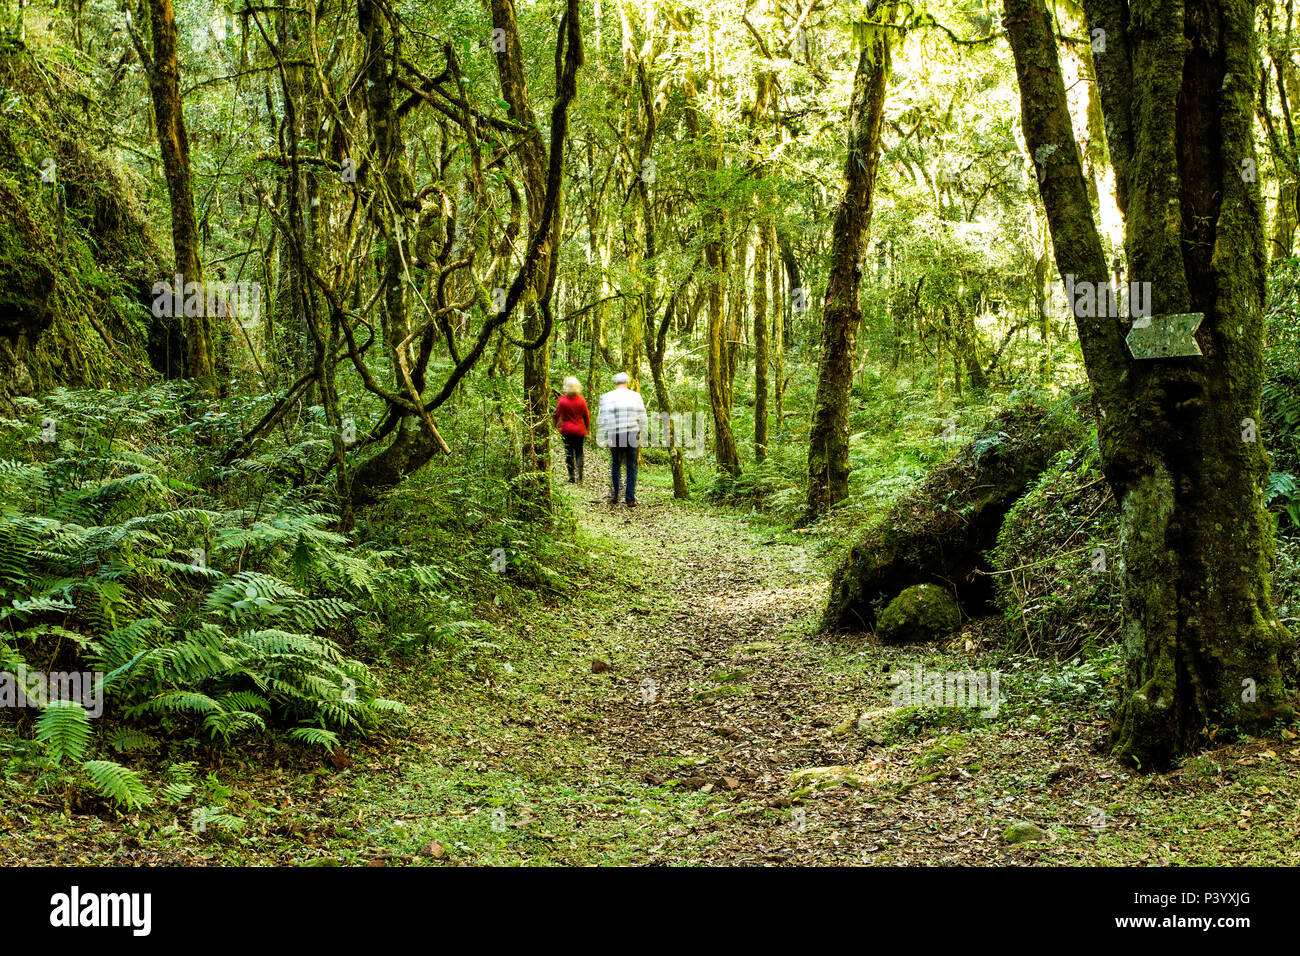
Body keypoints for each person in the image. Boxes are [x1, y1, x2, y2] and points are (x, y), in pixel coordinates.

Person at [596, 371, 648, 507]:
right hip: (631, 433)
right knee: (631, 466)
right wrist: (641, 432)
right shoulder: (635, 396)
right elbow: (642, 417)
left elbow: (604, 418)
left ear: (615, 382)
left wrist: (606, 437)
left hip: (615, 434)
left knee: (616, 464)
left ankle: (615, 494)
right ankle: (630, 498)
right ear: (627, 382)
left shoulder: (607, 397)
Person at [553, 376, 590, 483]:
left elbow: (556, 414)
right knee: (579, 452)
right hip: (579, 431)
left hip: (567, 431)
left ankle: (572, 477)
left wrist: (555, 426)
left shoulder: (562, 400)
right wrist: (588, 430)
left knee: (569, 453)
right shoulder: (581, 400)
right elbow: (586, 416)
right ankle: (580, 476)